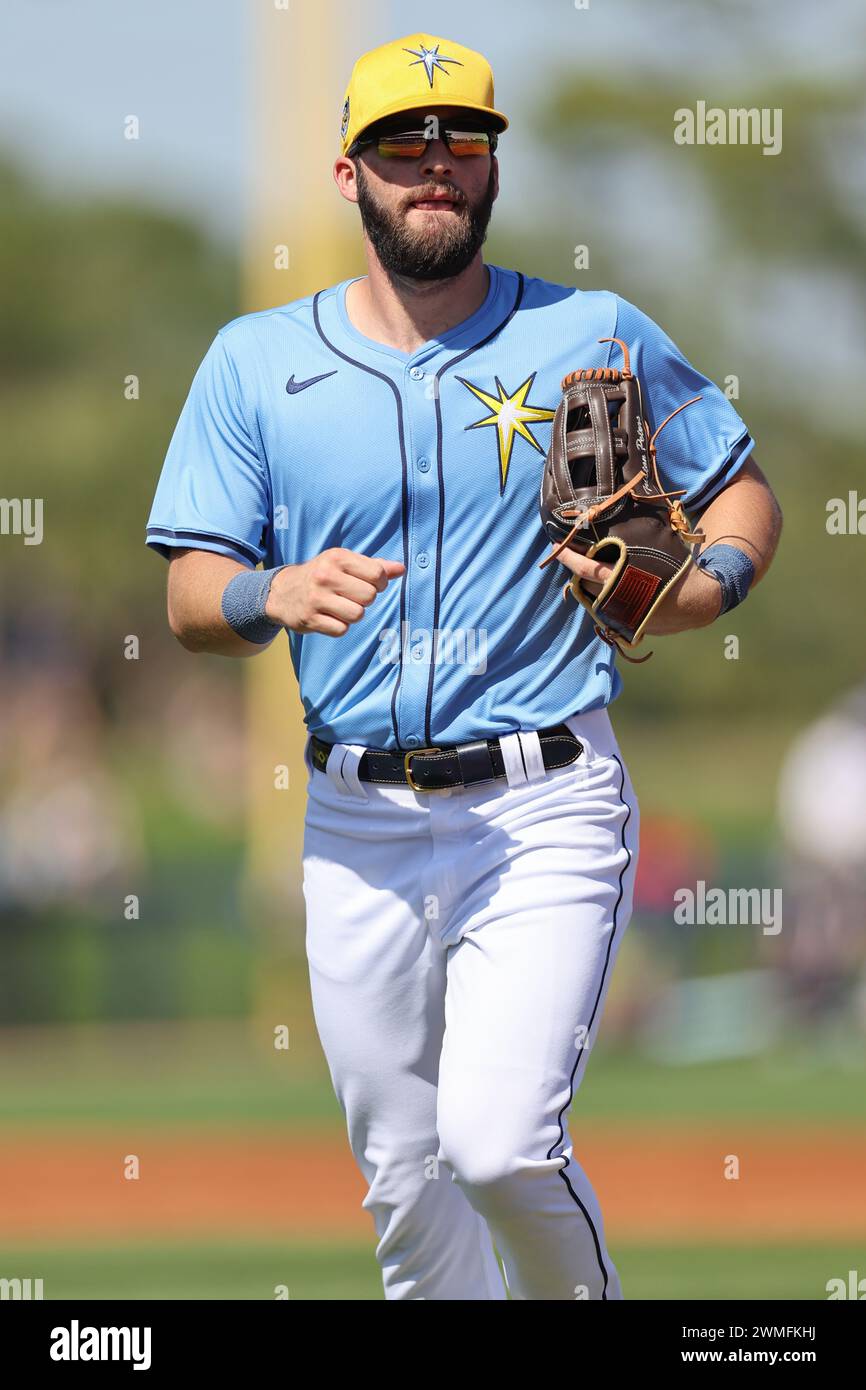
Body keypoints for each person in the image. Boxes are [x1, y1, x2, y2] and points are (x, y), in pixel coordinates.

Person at [146, 33, 782, 1299]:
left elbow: (739, 495)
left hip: (538, 796)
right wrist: (268, 590)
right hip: (356, 819)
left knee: (496, 1146)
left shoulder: (589, 331)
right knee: (403, 1181)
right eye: (402, 145)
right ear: (349, 172)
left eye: (461, 141)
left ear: (492, 167)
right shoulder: (253, 362)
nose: (433, 165)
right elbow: (184, 600)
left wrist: (704, 584)